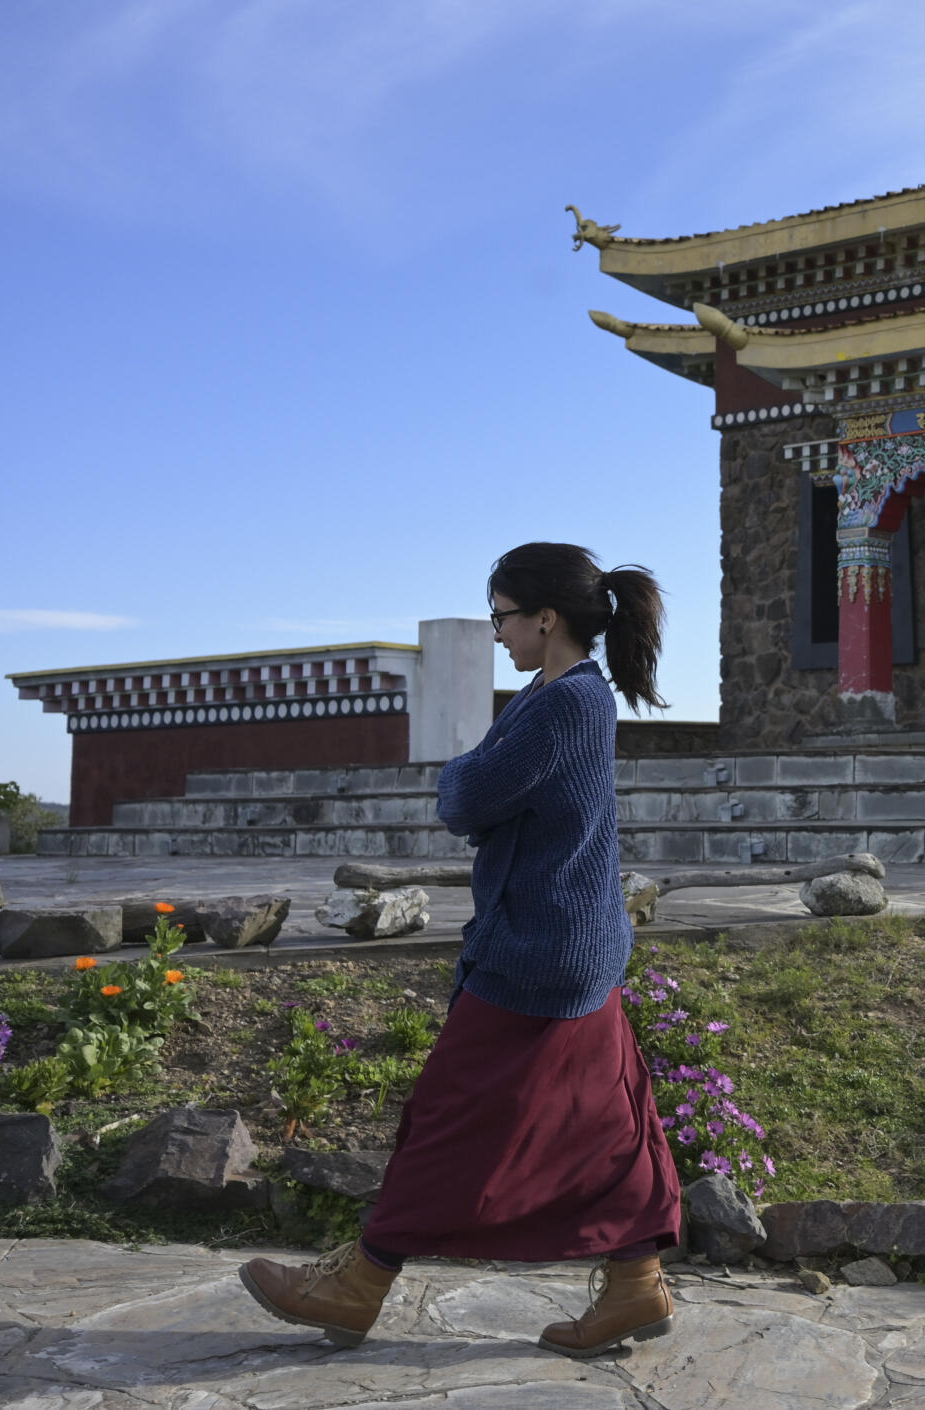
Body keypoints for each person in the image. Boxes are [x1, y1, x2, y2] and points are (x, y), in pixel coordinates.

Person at [240, 543, 684, 1356]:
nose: (499, 633)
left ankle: (358, 1285)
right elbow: (484, 792)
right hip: (573, 945)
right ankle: (636, 1285)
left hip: (541, 951)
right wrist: (477, 784)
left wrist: (466, 782)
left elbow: (468, 794)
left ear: (544, 617)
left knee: (449, 1116)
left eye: (503, 617)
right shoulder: (560, 697)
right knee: (608, 1119)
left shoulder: (561, 705)